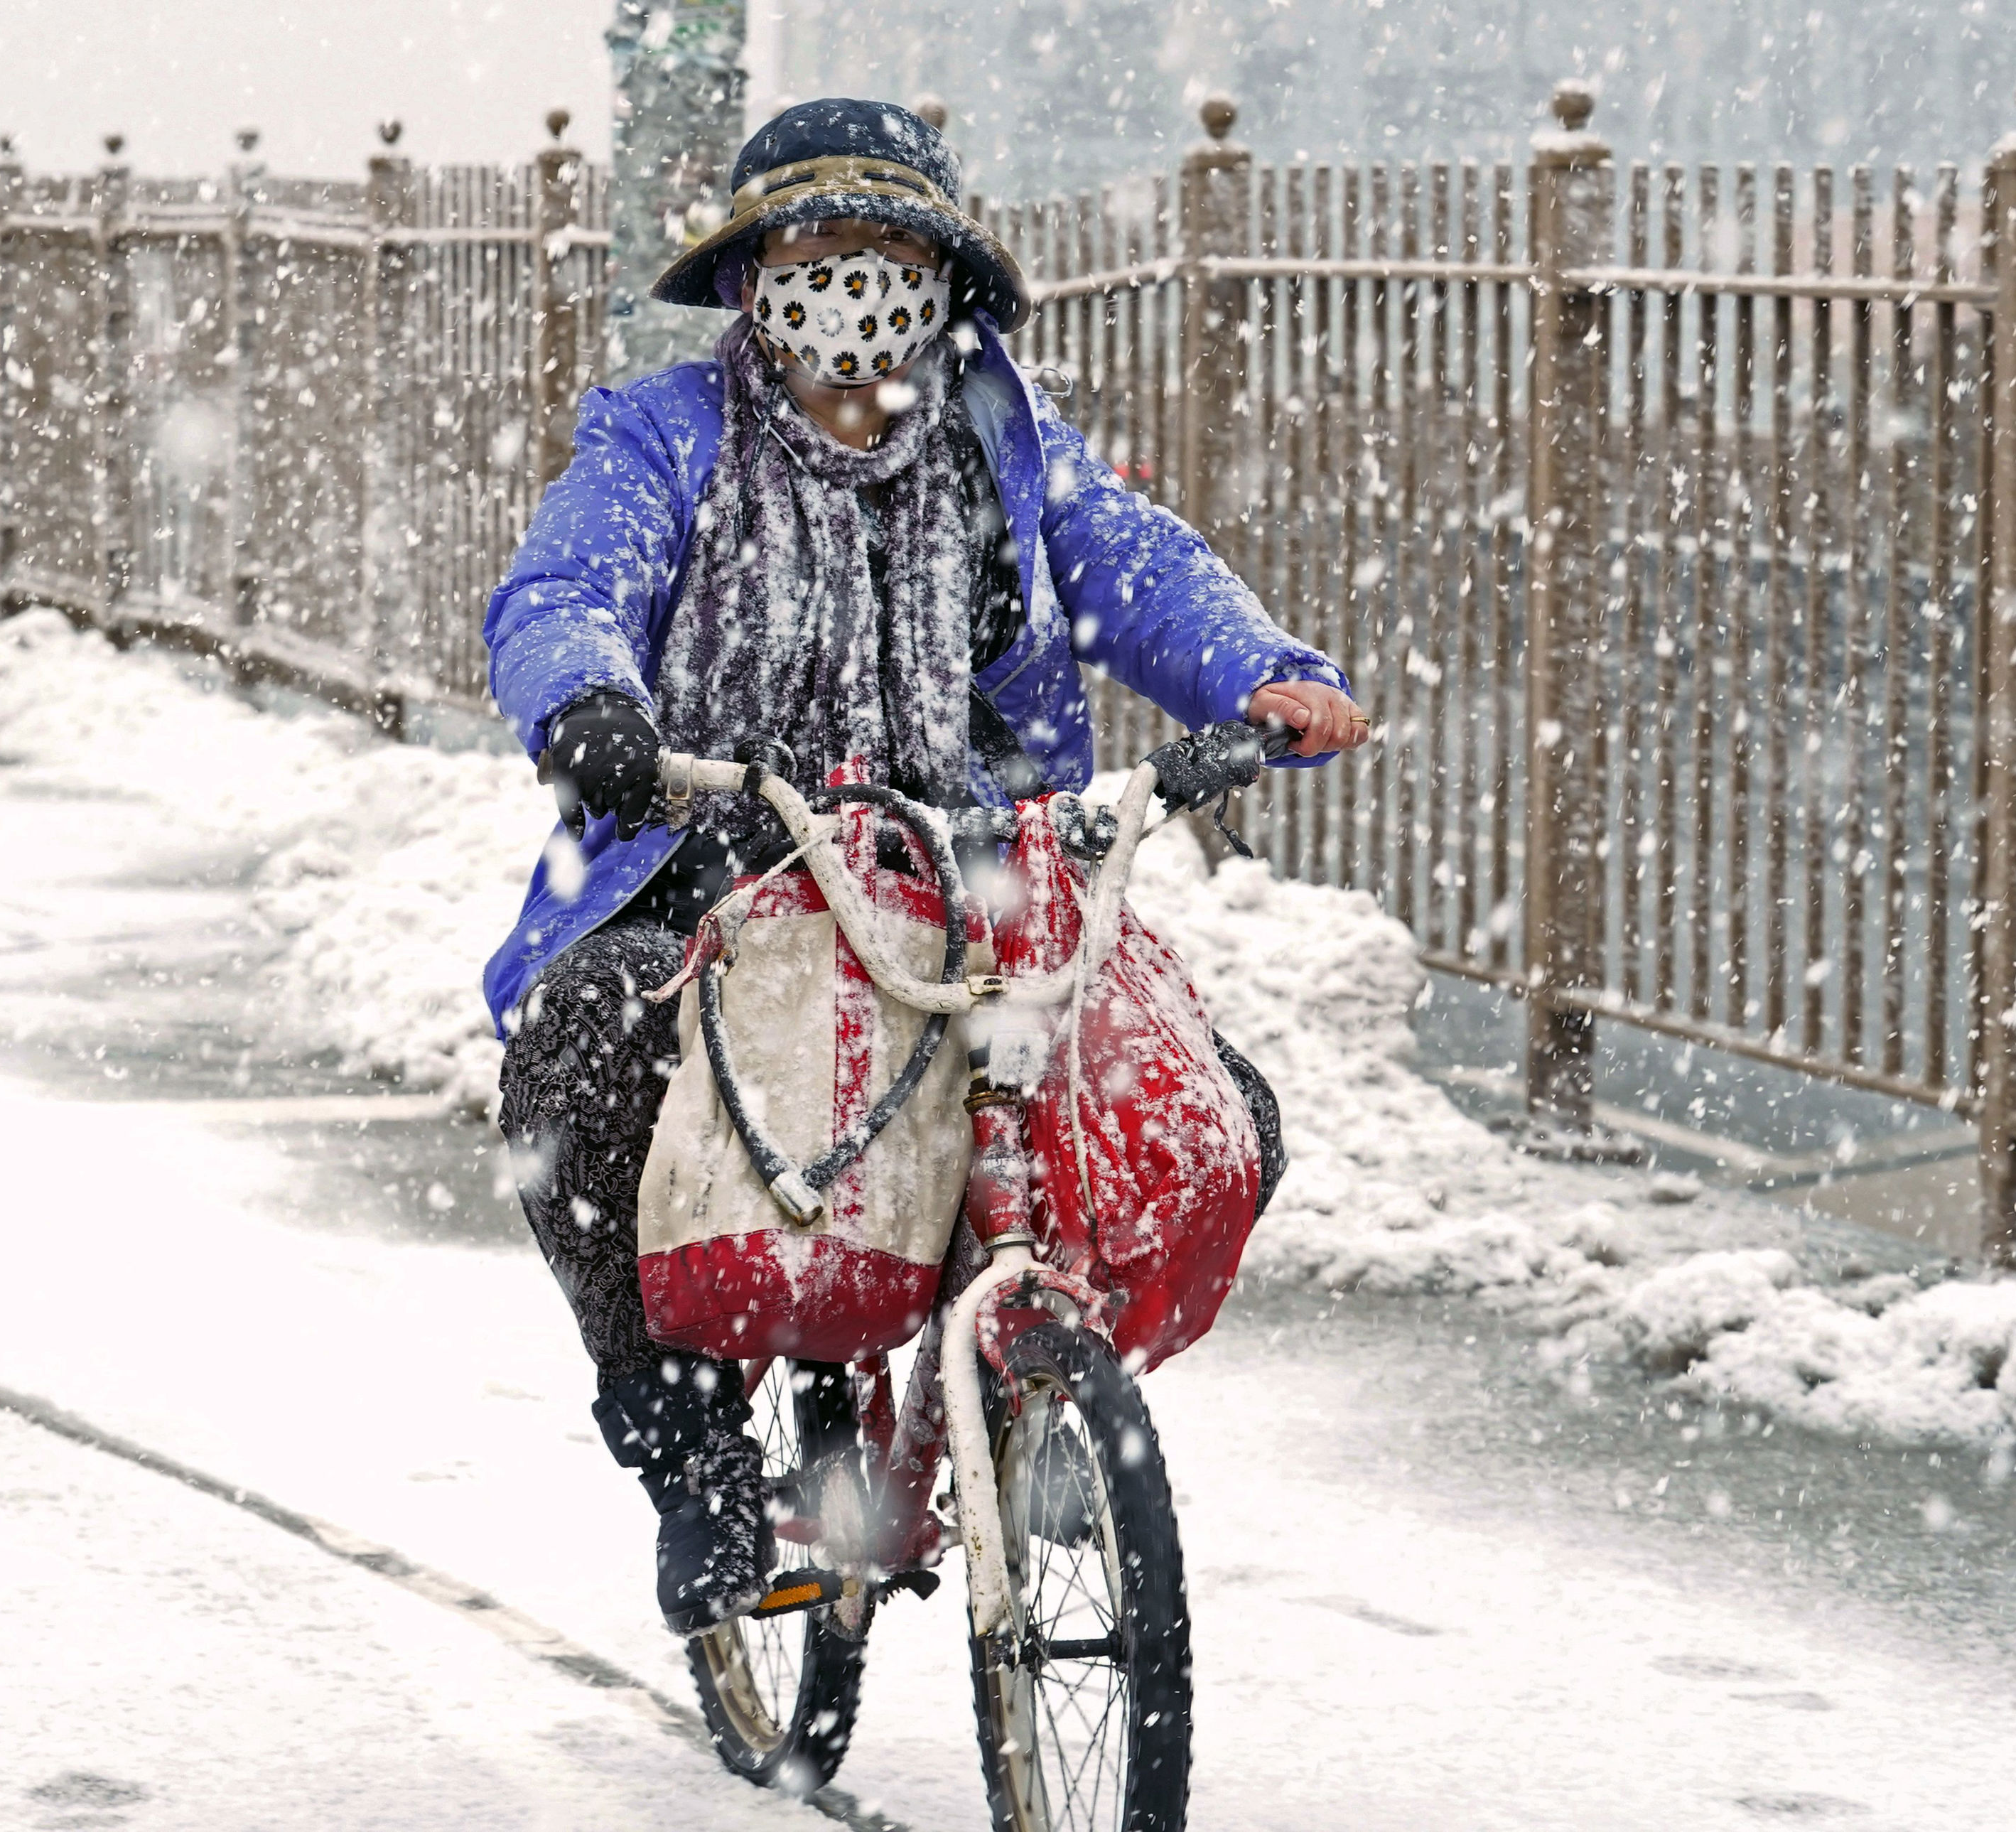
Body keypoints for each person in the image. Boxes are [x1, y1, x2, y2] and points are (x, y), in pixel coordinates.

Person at [481, 99, 1371, 1634]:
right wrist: (590, 706)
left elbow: (1138, 567)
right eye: (817, 249)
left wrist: (1260, 674)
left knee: (1208, 1108)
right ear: (756, 278)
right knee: (591, 1059)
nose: (852, 281)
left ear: (943, 273)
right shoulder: (662, 436)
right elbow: (569, 585)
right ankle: (699, 1468)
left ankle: (1034, 1393)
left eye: (886, 247)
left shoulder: (1002, 449)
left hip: (976, 864)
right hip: (731, 856)